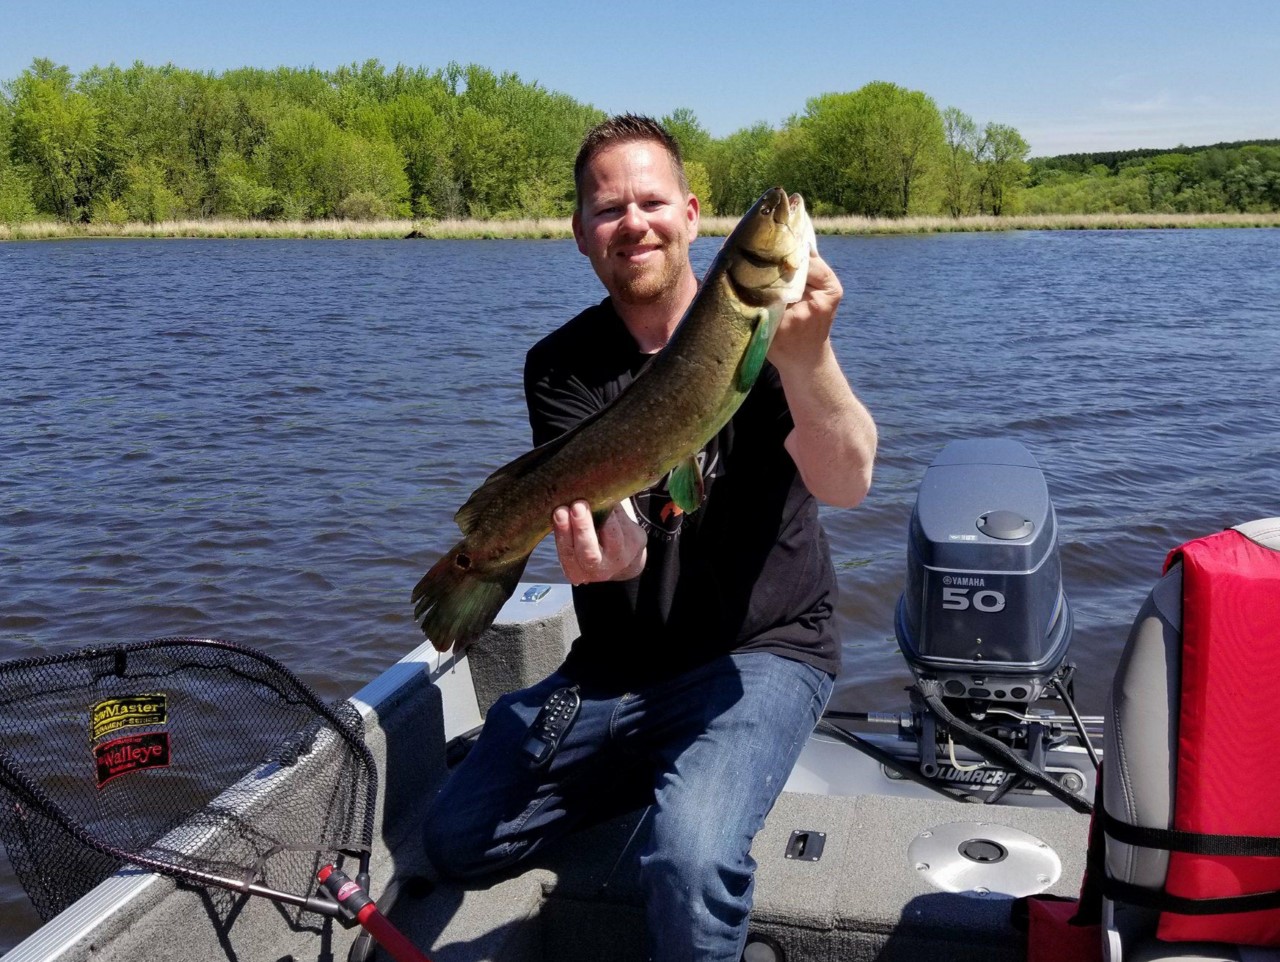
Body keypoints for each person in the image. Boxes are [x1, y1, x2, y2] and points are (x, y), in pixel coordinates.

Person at [422, 114, 877, 961]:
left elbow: (848, 483)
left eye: (652, 202)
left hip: (763, 651)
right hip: (619, 665)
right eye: (608, 209)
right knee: (456, 839)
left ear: (692, 215)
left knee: (690, 862)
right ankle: (668, 766)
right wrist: (614, 552)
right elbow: (610, 503)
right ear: (581, 233)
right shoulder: (560, 363)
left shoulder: (779, 333)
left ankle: (692, 787)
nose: (633, 223)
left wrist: (809, 359)